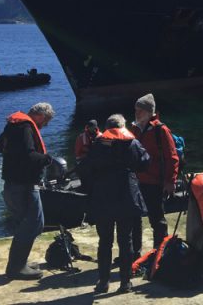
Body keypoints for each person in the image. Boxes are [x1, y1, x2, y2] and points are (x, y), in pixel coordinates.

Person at [80, 114, 149, 294]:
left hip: (104, 197)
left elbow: (86, 169)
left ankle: (103, 281)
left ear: (108, 127)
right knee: (125, 241)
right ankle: (125, 282)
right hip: (126, 195)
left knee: (105, 241)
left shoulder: (98, 145)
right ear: (122, 127)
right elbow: (145, 162)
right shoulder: (132, 143)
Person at [0, 102, 55, 280]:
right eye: (46, 121)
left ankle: (20, 262)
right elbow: (29, 155)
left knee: (26, 223)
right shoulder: (25, 128)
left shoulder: (13, 125)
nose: (46, 125)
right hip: (24, 185)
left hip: (13, 184)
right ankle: (16, 267)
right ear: (41, 116)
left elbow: (0, 145)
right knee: (34, 223)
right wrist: (47, 159)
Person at [131, 93, 179, 254]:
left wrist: (170, 181)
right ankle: (134, 252)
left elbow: (172, 157)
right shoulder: (135, 128)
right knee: (134, 217)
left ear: (149, 112)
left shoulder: (161, 130)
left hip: (154, 181)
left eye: (140, 111)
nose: (137, 114)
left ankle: (160, 253)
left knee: (157, 218)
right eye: (136, 110)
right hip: (137, 180)